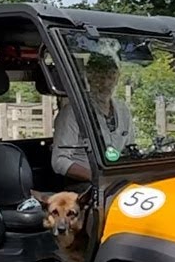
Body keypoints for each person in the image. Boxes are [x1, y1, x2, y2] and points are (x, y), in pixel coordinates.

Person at [51, 52, 134, 181]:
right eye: (99, 77)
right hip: (83, 185)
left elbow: (130, 150)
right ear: (88, 78)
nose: (106, 83)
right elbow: (59, 161)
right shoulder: (74, 112)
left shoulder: (123, 110)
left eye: (110, 76)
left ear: (117, 78)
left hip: (116, 182)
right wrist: (99, 178)